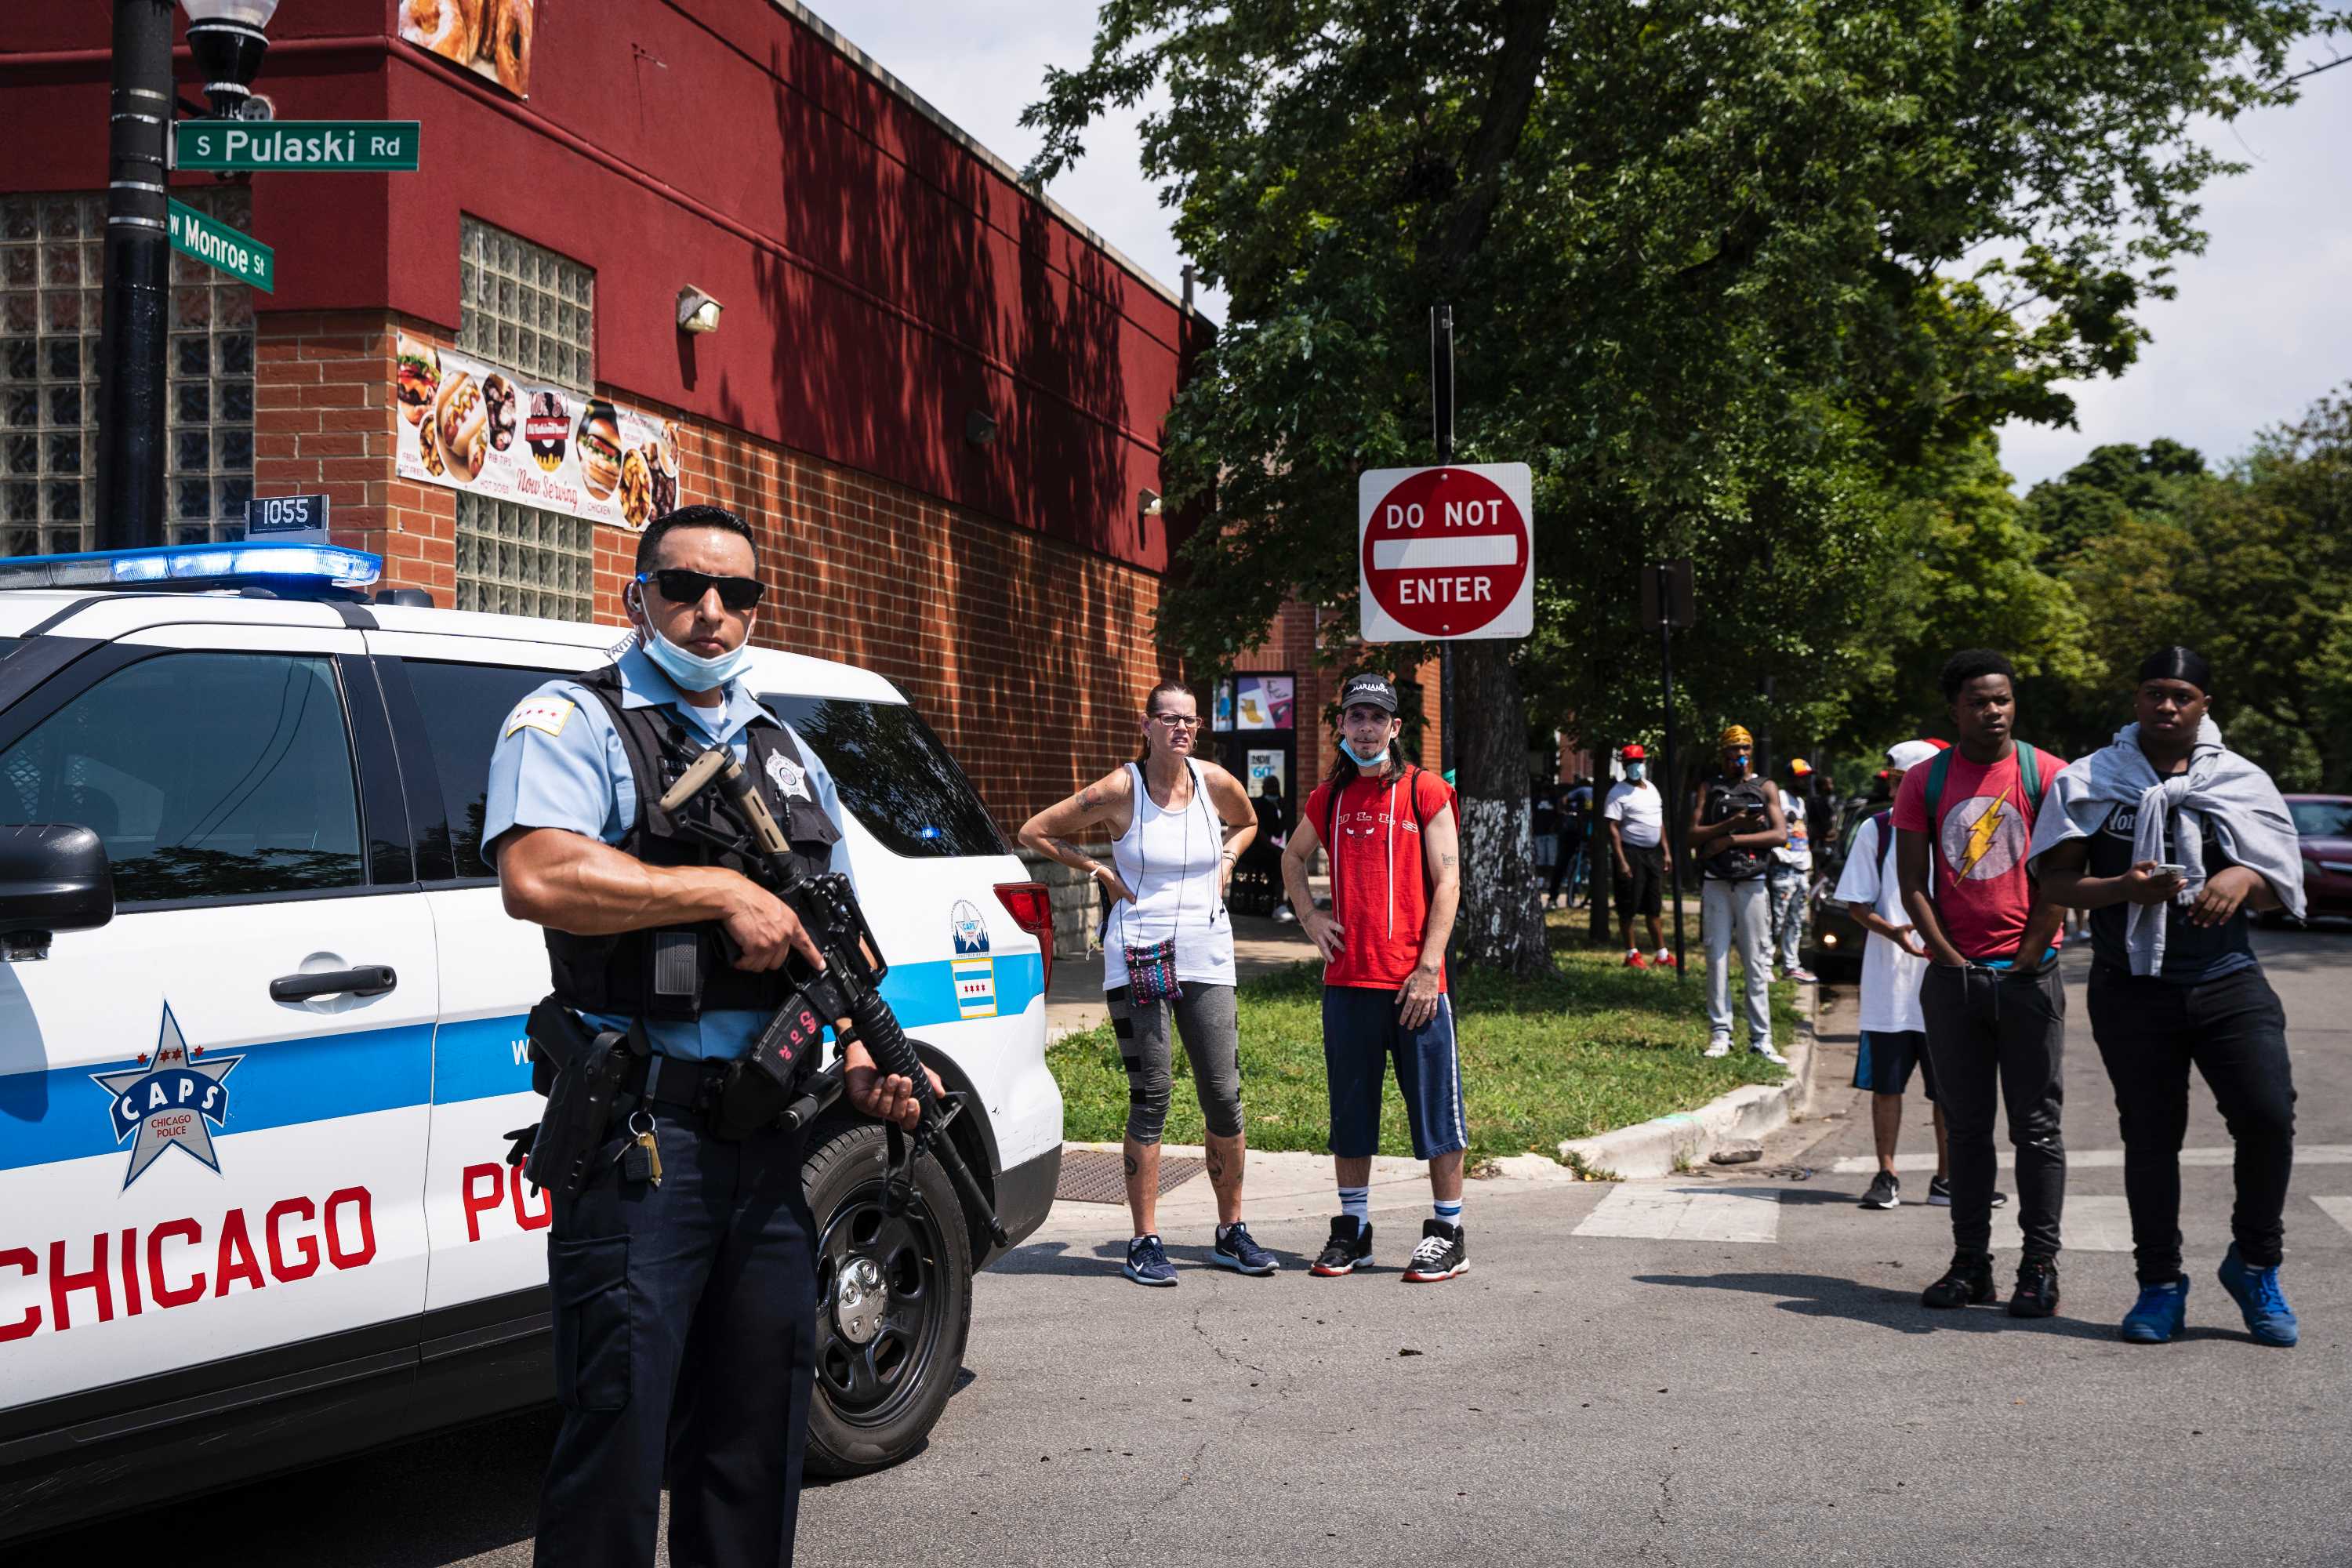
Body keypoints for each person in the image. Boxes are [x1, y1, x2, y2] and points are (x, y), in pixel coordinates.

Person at [486, 505, 936, 1568]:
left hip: (769, 1144)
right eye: (684, 586)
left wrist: (864, 1048)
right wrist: (719, 888)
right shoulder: (576, 720)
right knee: (619, 1434)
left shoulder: (787, 752)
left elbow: (838, 938)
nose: (711, 610)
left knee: (756, 1435)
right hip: (643, 1144)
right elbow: (536, 873)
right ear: (639, 593)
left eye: (737, 592)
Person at [2027, 647, 2307, 1345]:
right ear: (2136, 699)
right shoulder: (2091, 779)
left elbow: (2280, 886)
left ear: (2205, 705)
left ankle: (2255, 1265)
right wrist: (2123, 888)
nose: (2168, 706)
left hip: (2227, 979)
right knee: (2152, 1140)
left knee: (2268, 1118)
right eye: (2155, 692)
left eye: (2182, 695)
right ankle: (2159, 1285)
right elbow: (2053, 883)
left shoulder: (2240, 780)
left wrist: (2242, 878)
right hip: (2131, 988)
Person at [1018, 681, 1270, 1285]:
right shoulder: (1120, 789)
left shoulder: (1214, 783)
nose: (1181, 728)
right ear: (1147, 725)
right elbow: (1035, 832)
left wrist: (1228, 861)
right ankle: (1145, 1240)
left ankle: (1231, 1231)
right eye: (1169, 718)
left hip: (1207, 954)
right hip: (1141, 953)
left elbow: (1248, 822)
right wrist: (1098, 870)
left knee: (1224, 1094)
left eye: (1190, 721)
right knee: (1153, 1095)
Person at [1895, 648, 2071, 1319]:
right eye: (1978, 702)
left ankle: (2038, 1268)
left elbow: (2061, 878)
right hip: (1954, 981)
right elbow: (1913, 882)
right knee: (1967, 1131)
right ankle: (1971, 1265)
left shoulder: (2046, 774)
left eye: (2002, 699)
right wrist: (1949, 960)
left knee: (2037, 1130)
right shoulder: (1926, 781)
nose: (1993, 711)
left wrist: (2028, 955)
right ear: (1955, 710)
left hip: (2031, 978)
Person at [1279, 672, 1471, 1283]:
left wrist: (1429, 968)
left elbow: (1449, 882)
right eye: (1356, 717)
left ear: (1395, 727)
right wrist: (1310, 917)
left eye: (1377, 718)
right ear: (1341, 725)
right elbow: (1291, 856)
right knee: (1351, 1114)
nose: (1366, 729)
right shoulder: (1328, 798)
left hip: (1416, 987)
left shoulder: (1426, 791)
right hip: (1348, 984)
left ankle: (1448, 1233)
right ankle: (1353, 1230)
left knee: (1436, 1115)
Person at [1837, 739, 2007, 1213]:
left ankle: (1948, 1180)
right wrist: (1891, 932)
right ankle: (1886, 1175)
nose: (1895, 789)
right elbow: (1856, 903)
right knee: (1886, 1086)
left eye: (1903, 780)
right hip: (1889, 986)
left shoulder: (1961, 827)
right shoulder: (1877, 829)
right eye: (1893, 781)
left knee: (1950, 1089)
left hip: (1948, 981)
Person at [1688, 724, 1788, 1062]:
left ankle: (1762, 1038)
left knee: (1756, 961)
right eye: (1733, 750)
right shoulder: (1710, 787)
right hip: (1716, 881)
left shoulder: (1765, 787)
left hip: (1752, 882)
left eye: (1744, 749)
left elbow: (1779, 835)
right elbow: (1692, 834)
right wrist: (1730, 825)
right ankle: (1721, 1034)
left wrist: (1732, 840)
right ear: (1723, 754)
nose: (1739, 756)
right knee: (1716, 959)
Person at [1604, 746, 1672, 968]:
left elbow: (1659, 823)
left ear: (1643, 763)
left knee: (1654, 905)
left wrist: (1666, 851)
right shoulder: (1617, 793)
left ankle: (1662, 955)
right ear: (1624, 765)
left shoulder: (1651, 789)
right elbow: (1613, 828)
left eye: (1638, 761)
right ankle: (1631, 954)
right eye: (1630, 762)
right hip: (1631, 852)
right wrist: (1622, 861)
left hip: (1652, 854)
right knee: (1628, 904)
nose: (1635, 766)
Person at [1769, 757, 1820, 983]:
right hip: (1783, 866)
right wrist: (1775, 854)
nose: (1805, 782)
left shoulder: (1800, 802)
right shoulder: (1779, 797)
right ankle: (1765, 964)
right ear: (1790, 778)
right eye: (1801, 778)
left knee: (1796, 920)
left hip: (1801, 868)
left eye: (1808, 778)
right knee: (1776, 919)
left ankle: (1791, 966)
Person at [1552, 775, 1592, 908]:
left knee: (1564, 862)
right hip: (1577, 830)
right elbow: (1563, 800)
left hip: (1582, 830)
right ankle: (1556, 895)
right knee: (1564, 862)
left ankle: (1555, 896)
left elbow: (1563, 801)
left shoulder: (1586, 791)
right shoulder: (1584, 791)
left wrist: (1562, 813)